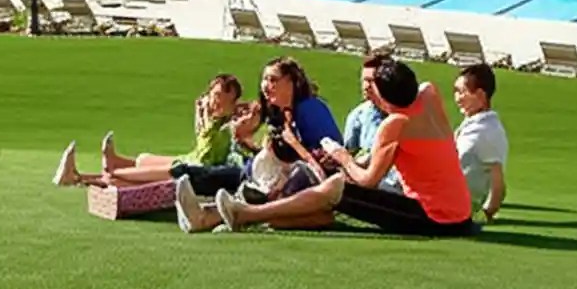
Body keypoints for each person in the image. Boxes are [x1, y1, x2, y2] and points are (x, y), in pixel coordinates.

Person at [199, 58, 476, 237]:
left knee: (336, 188)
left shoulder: (395, 124)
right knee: (327, 198)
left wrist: (342, 156)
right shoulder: (429, 94)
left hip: (434, 218)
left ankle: (245, 214)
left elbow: (368, 180)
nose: (369, 93)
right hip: (459, 212)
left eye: (373, 88)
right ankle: (254, 216)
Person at [174, 56, 343, 233]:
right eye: (264, 80)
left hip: (316, 178)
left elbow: (329, 156)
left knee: (240, 176)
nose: (265, 86)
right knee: (252, 170)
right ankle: (205, 215)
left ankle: (207, 215)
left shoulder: (310, 108)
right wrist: (248, 144)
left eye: (273, 80)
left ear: (292, 81)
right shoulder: (281, 113)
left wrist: (292, 145)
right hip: (283, 176)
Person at [51, 74, 250, 187]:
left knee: (121, 176)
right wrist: (202, 118)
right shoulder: (217, 119)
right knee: (145, 159)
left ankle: (79, 177)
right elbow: (203, 145)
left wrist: (204, 118)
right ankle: (111, 161)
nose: (215, 101)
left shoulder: (226, 123)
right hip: (192, 161)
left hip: (197, 170)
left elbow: (207, 151)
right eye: (214, 95)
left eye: (222, 97)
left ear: (232, 103)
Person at [453, 63, 509, 222]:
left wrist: (488, 212)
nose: (457, 98)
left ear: (480, 95)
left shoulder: (488, 131)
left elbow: (498, 179)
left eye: (462, 92)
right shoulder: (472, 125)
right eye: (456, 92)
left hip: (458, 206)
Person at [342, 54, 402, 192]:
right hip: (372, 184)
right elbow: (350, 152)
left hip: (395, 187)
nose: (366, 86)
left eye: (371, 81)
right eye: (364, 80)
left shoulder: (402, 115)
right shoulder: (358, 115)